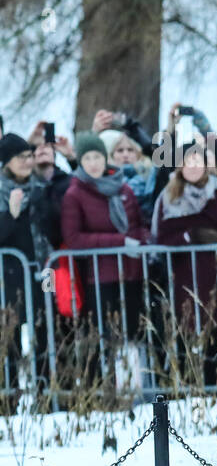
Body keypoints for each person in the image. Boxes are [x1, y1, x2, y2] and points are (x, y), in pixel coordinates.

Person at [151, 142, 217, 384]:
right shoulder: (168, 197)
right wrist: (192, 235)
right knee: (186, 330)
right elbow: (160, 239)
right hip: (184, 276)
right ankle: (188, 388)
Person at [60, 132, 150, 343]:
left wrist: (144, 240)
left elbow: (139, 224)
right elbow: (74, 239)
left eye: (97, 156)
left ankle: (137, 376)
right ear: (80, 162)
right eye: (87, 158)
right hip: (100, 278)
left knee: (137, 338)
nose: (93, 163)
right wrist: (120, 242)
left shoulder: (123, 187)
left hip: (133, 273)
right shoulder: (75, 194)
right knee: (106, 341)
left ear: (105, 157)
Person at [0, 134, 53, 407]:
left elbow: (53, 226)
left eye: (29, 156)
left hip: (44, 272)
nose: (27, 162)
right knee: (10, 335)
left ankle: (46, 397)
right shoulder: (1, 189)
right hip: (10, 275)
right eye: (21, 157)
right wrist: (11, 213)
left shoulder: (41, 187)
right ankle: (8, 399)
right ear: (7, 161)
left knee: (45, 328)